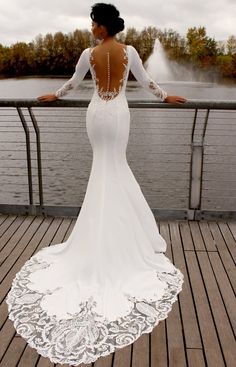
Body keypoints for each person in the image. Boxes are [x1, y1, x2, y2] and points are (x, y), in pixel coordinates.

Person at [6, 3, 185, 366]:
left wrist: (55, 95)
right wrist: (166, 97)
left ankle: (102, 234)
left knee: (102, 169)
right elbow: (147, 83)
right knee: (115, 166)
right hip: (117, 113)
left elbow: (73, 85)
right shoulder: (130, 52)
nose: (90, 27)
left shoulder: (88, 54)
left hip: (95, 115)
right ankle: (124, 236)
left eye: (93, 22)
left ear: (103, 26)